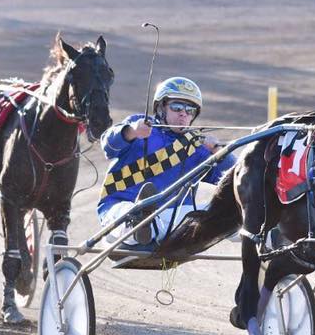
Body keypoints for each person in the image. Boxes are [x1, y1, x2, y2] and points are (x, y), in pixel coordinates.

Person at [98, 76, 236, 247]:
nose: (183, 113)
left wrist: (219, 152)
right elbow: (108, 146)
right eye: (177, 107)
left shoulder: (198, 146)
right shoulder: (139, 125)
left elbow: (236, 179)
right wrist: (131, 132)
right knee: (131, 213)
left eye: (190, 110)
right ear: (161, 107)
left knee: (232, 209)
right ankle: (141, 223)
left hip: (173, 222)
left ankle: (268, 237)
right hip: (120, 211)